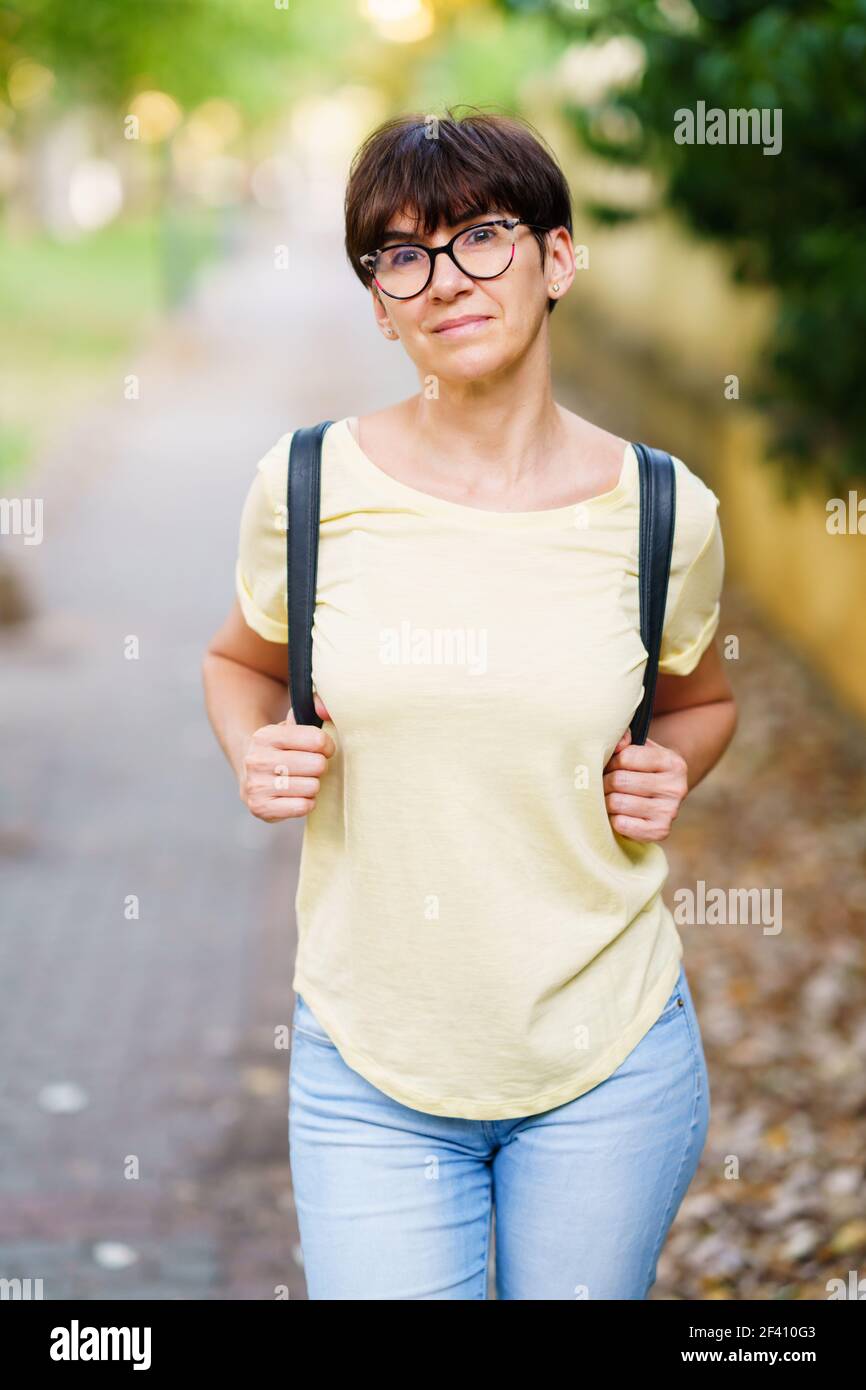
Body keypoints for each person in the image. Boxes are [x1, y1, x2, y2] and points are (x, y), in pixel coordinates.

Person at [202, 108, 737, 1300]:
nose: (444, 279)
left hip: (604, 1058)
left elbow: (699, 698)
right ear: (381, 301)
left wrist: (678, 765)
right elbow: (238, 661)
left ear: (555, 260)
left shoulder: (661, 510)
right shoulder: (306, 485)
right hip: (368, 1065)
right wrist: (254, 751)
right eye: (401, 254)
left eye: (481, 237)